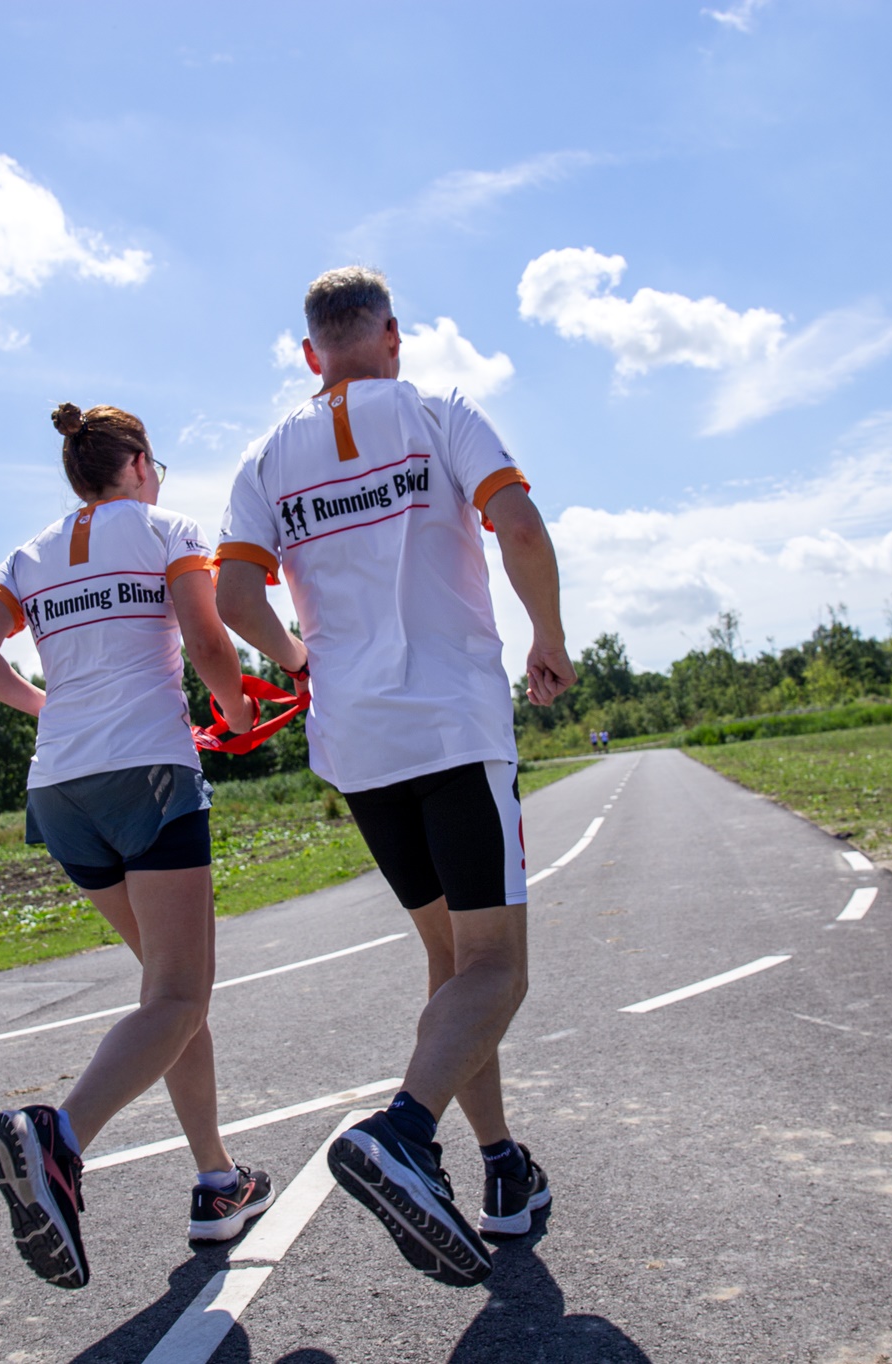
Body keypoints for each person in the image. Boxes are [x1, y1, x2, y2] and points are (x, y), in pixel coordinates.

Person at [216, 266, 575, 1287]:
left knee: (451, 968)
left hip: (359, 749)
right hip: (452, 725)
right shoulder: (438, 412)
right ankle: (404, 1134)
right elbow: (516, 526)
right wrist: (547, 635)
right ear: (392, 336)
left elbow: (237, 588)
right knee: (496, 967)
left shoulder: (265, 457)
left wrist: (297, 665)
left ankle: (500, 1166)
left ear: (309, 353)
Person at [0, 401, 303, 1289]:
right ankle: (58, 1139)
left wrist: (45, 707)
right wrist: (232, 709)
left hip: (61, 789)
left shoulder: (30, 554)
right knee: (179, 994)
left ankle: (217, 1181)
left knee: (168, 996)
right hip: (145, 771)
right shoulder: (164, 527)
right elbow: (207, 634)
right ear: (138, 463)